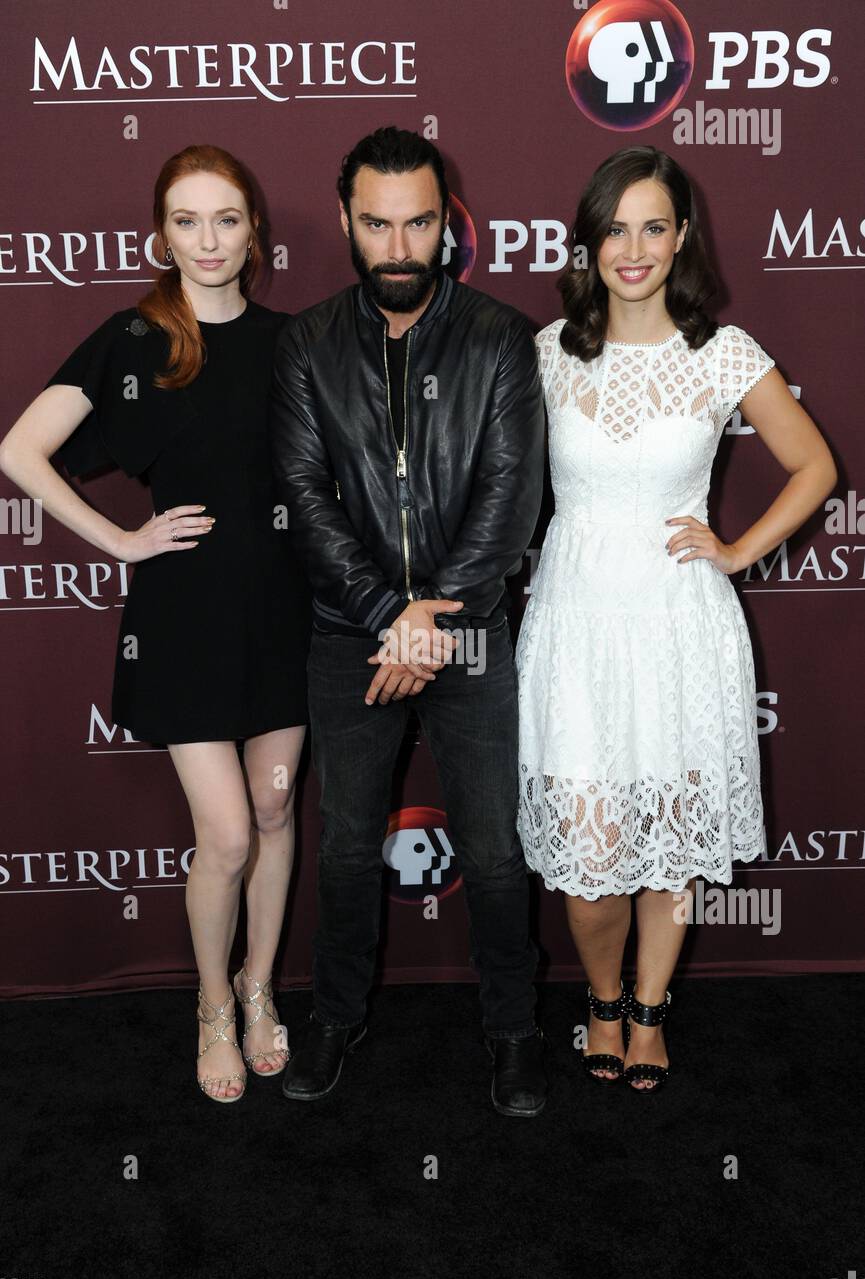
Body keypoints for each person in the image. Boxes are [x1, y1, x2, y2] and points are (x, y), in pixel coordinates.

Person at [515, 145, 837, 1092]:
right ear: (589, 240)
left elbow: (814, 467)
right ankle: (600, 994)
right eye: (614, 227)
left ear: (682, 238)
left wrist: (736, 552)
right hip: (573, 625)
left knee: (668, 844)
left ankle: (644, 1010)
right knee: (589, 867)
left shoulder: (721, 353)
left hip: (678, 626)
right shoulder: (544, 352)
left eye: (653, 227)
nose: (632, 248)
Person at [0, 145, 312, 1105]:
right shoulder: (134, 340)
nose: (209, 240)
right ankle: (213, 1003)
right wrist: (120, 541)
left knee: (272, 808)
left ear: (254, 231)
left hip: (286, 607)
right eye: (188, 220)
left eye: (227, 219)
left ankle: (262, 988)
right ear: (160, 235)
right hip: (182, 615)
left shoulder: (293, 340)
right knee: (223, 833)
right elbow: (21, 449)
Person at [270, 126, 547, 1116]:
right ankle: (335, 1016)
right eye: (377, 223)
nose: (397, 246)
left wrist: (432, 623)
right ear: (346, 220)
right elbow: (303, 496)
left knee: (493, 848)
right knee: (344, 847)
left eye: (417, 222)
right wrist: (391, 614)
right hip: (353, 631)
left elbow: (512, 499)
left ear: (446, 224)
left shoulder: (500, 337)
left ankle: (513, 1031)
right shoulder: (303, 343)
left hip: (468, 628)